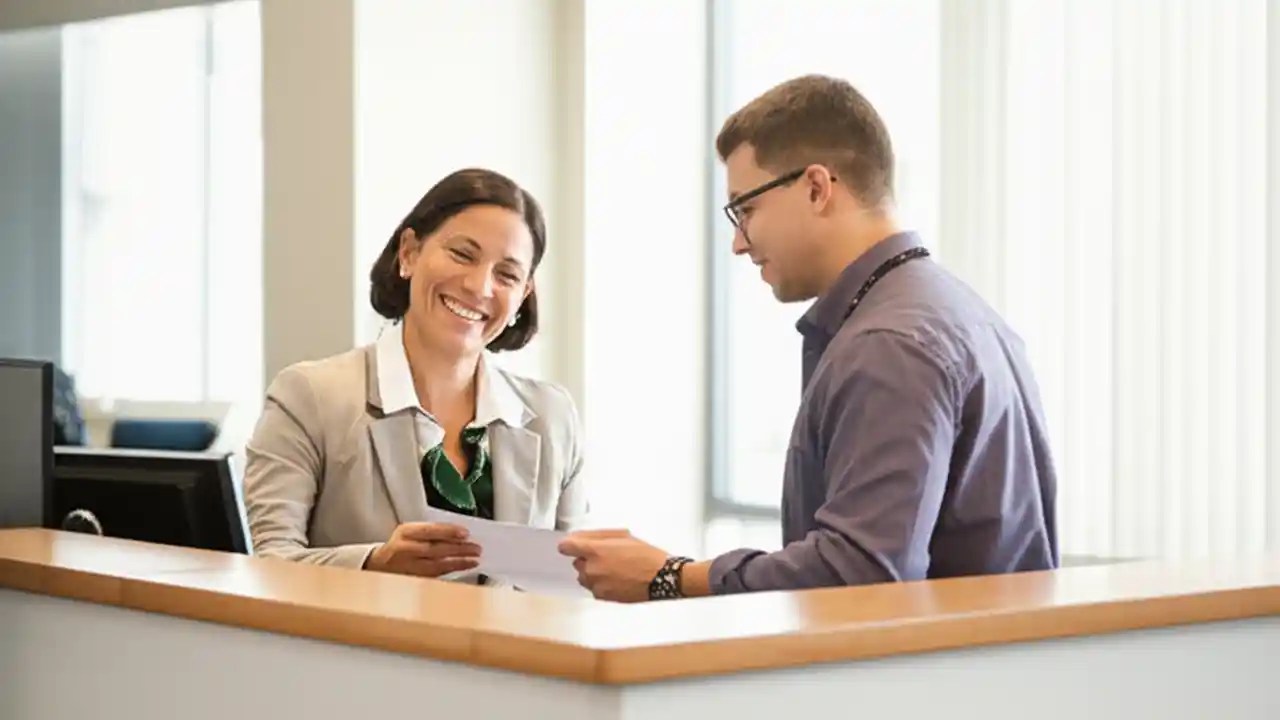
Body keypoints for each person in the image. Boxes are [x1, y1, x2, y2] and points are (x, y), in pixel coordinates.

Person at [559, 74, 1058, 602]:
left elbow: (862, 572)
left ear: (817, 188)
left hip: (928, 680)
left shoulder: (889, 343)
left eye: (744, 210)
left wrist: (670, 577)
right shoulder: (959, 313)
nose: (738, 243)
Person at [244, 168, 587, 582]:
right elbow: (269, 566)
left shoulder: (553, 416)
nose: (479, 286)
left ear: (522, 297)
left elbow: (574, 584)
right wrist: (374, 563)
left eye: (507, 275)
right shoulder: (309, 397)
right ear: (409, 252)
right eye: (463, 254)